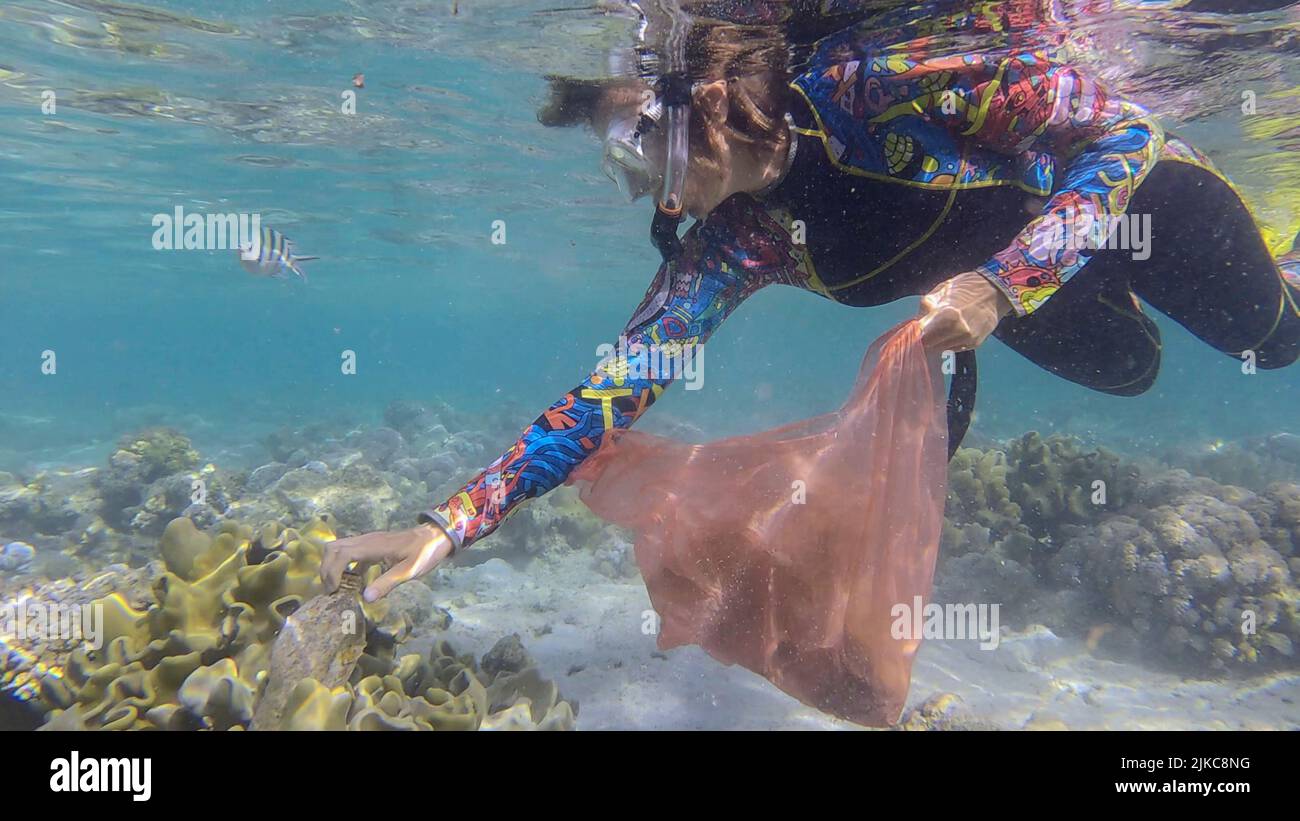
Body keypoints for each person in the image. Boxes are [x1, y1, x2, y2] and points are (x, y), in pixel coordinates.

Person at [320, 8, 1300, 602]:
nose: (629, 189)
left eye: (632, 151)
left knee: (1277, 339)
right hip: (1022, 274)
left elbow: (1123, 137)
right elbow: (613, 389)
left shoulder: (877, 83)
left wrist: (1005, 285)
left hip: (1151, 206)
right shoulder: (737, 243)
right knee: (1129, 373)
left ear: (706, 101)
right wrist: (446, 523)